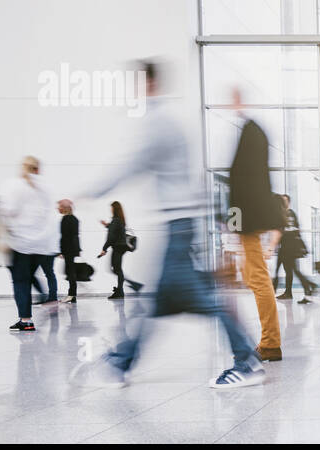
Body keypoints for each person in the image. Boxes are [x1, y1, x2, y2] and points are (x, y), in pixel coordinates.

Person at [70, 59, 265, 389]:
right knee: (160, 300)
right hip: (179, 224)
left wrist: (87, 192)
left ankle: (247, 359)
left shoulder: (157, 122)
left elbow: (130, 163)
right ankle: (121, 360)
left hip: (177, 226)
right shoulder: (166, 120)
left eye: (135, 85)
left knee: (200, 301)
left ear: (148, 84)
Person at [226, 87, 285, 362]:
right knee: (253, 276)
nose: (231, 103)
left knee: (258, 279)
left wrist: (237, 222)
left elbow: (247, 182)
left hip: (249, 220)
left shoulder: (252, 132)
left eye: (235, 98)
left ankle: (271, 342)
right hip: (248, 220)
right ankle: (269, 340)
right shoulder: (252, 132)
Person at [0, 156, 60, 332]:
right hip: (42, 245)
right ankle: (48, 298)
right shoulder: (47, 188)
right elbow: (50, 215)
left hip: (20, 243)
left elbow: (6, 211)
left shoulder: (14, 186)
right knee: (30, 276)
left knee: (20, 281)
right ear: (38, 169)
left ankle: (26, 320)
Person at [275, 194, 319, 304]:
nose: (283, 203)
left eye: (285, 201)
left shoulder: (288, 214)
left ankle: (308, 286)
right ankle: (290, 292)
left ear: (288, 202)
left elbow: (291, 229)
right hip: (285, 247)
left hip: (288, 248)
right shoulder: (286, 213)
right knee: (288, 270)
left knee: (291, 270)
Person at [98, 201, 142, 299]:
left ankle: (121, 291)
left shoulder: (116, 220)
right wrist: (107, 225)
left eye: (111, 208)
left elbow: (111, 237)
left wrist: (104, 249)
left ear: (115, 209)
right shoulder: (120, 220)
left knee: (116, 269)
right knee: (116, 269)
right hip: (121, 247)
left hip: (118, 247)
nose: (110, 209)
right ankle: (124, 289)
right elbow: (115, 230)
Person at [58, 199, 80, 303]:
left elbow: (64, 237)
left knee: (70, 272)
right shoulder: (75, 219)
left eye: (60, 206)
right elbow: (75, 236)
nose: (58, 208)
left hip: (68, 249)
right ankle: (72, 294)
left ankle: (71, 294)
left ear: (65, 208)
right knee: (71, 271)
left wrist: (61, 250)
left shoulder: (65, 219)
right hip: (73, 248)